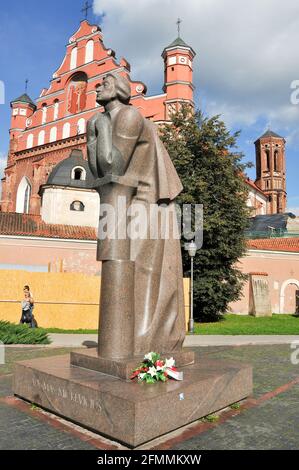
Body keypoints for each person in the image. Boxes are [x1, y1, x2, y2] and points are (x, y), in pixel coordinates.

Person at [87, 73, 185, 359]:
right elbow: (99, 173)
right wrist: (94, 128)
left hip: (147, 205)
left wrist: (100, 128)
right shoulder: (99, 119)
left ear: (118, 90)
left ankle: (144, 340)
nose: (97, 87)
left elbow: (112, 164)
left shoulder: (129, 115)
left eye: (104, 83)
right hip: (121, 203)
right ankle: (128, 339)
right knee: (126, 267)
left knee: (143, 271)